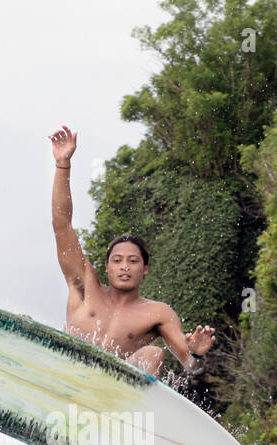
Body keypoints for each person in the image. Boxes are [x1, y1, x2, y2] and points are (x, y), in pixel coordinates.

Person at [48, 124, 215, 377]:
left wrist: (197, 354)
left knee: (153, 353)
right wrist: (63, 165)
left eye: (133, 261)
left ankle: (129, 411)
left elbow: (191, 367)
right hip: (68, 373)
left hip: (111, 388)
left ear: (145, 268)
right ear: (107, 267)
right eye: (117, 260)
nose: (124, 266)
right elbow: (62, 224)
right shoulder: (84, 286)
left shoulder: (157, 313)